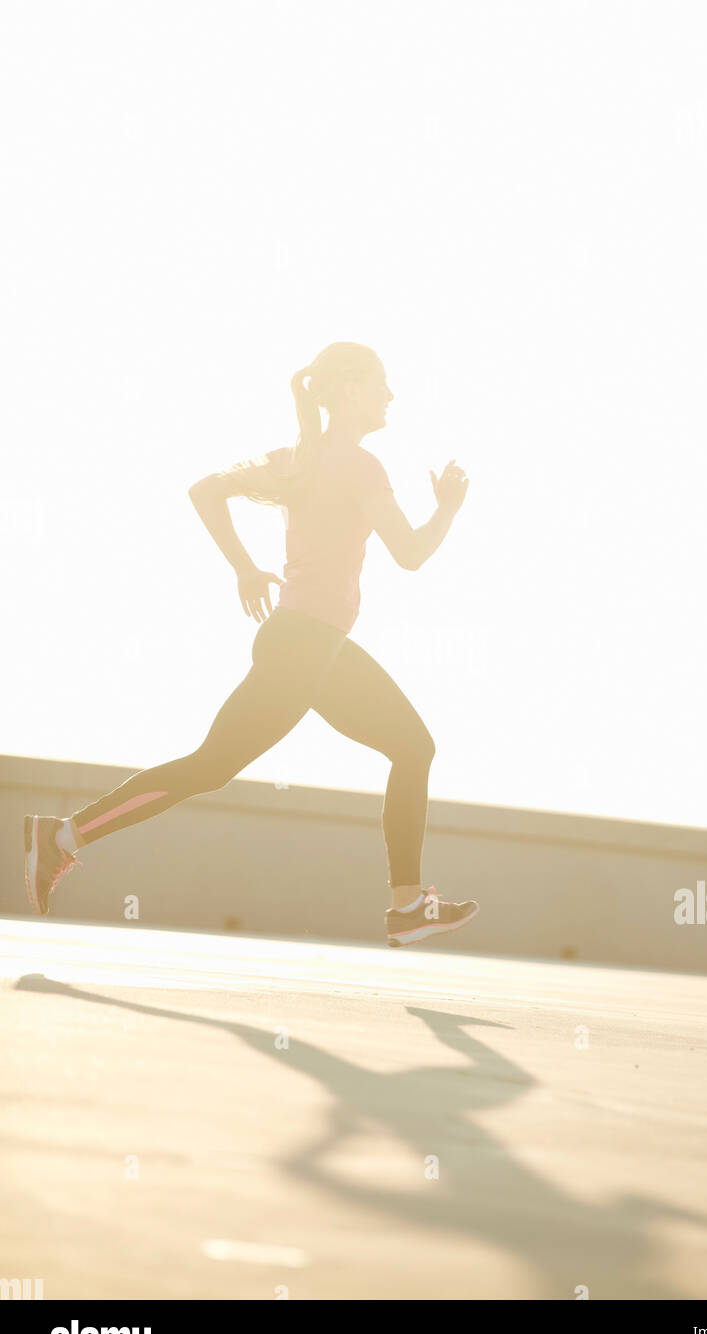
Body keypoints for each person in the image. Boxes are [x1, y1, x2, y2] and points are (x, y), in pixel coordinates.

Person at [24, 340, 479, 948]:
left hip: (309, 644)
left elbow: (204, 490)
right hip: (305, 646)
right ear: (348, 390)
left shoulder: (298, 459)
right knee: (214, 766)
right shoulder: (359, 465)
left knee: (408, 747)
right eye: (380, 384)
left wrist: (244, 567)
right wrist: (447, 507)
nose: (390, 395)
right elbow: (411, 554)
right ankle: (61, 837)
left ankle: (405, 904)